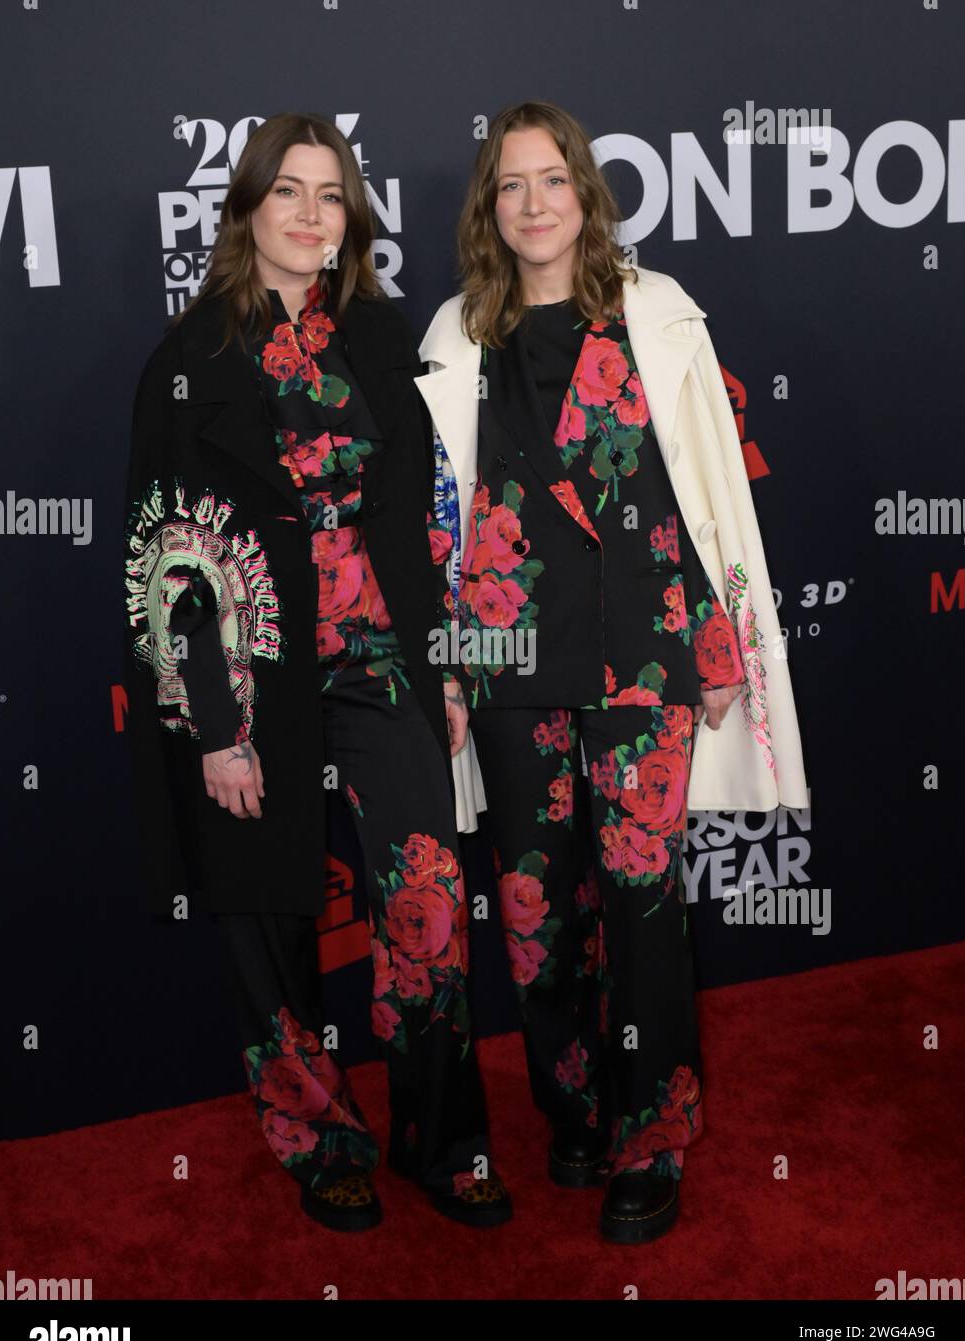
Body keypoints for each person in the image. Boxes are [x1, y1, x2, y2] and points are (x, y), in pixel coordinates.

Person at [416, 100, 809, 1244]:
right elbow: (441, 520)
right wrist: (448, 661)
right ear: (488, 207)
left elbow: (707, 501)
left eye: (552, 180)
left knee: (641, 910)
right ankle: (575, 1112)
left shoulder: (654, 313)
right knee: (536, 918)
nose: (533, 203)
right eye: (510, 185)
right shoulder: (458, 331)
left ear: (585, 193)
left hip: (643, 658)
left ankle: (653, 1135)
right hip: (504, 663)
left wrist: (718, 641)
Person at [122, 112, 511, 1233]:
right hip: (255, 681)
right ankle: (317, 1135)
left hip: (384, 657)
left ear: (353, 218)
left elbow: (420, 520)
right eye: (284, 191)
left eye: (329, 194)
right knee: (268, 912)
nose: (307, 214)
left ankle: (443, 1137)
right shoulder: (190, 361)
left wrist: (442, 663)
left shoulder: (383, 343)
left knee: (429, 895)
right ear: (244, 209)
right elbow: (166, 549)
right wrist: (214, 724)